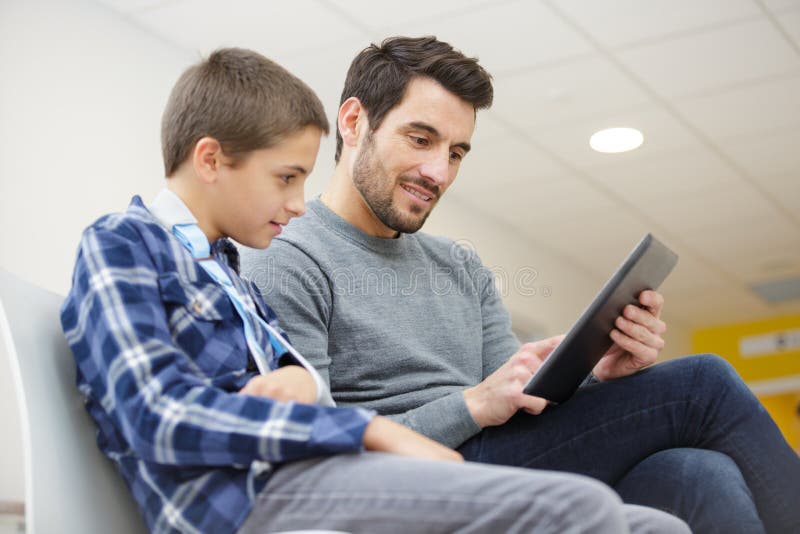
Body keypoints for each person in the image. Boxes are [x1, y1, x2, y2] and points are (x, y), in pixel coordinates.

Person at [59, 48, 690, 534]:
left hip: (311, 476)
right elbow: (160, 417)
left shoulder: (225, 269)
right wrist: (370, 434)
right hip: (256, 498)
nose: (297, 205)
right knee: (580, 506)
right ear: (211, 160)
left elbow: (302, 387)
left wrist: (303, 386)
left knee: (655, 524)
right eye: (285, 178)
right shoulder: (123, 242)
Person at [241, 36, 800, 534]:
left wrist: (601, 379)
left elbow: (523, 398)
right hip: (414, 479)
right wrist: (471, 406)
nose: (439, 172)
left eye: (456, 152)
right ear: (354, 121)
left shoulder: (460, 266)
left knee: (696, 473)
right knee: (702, 382)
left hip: (502, 456)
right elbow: (316, 444)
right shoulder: (289, 258)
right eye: (420, 138)